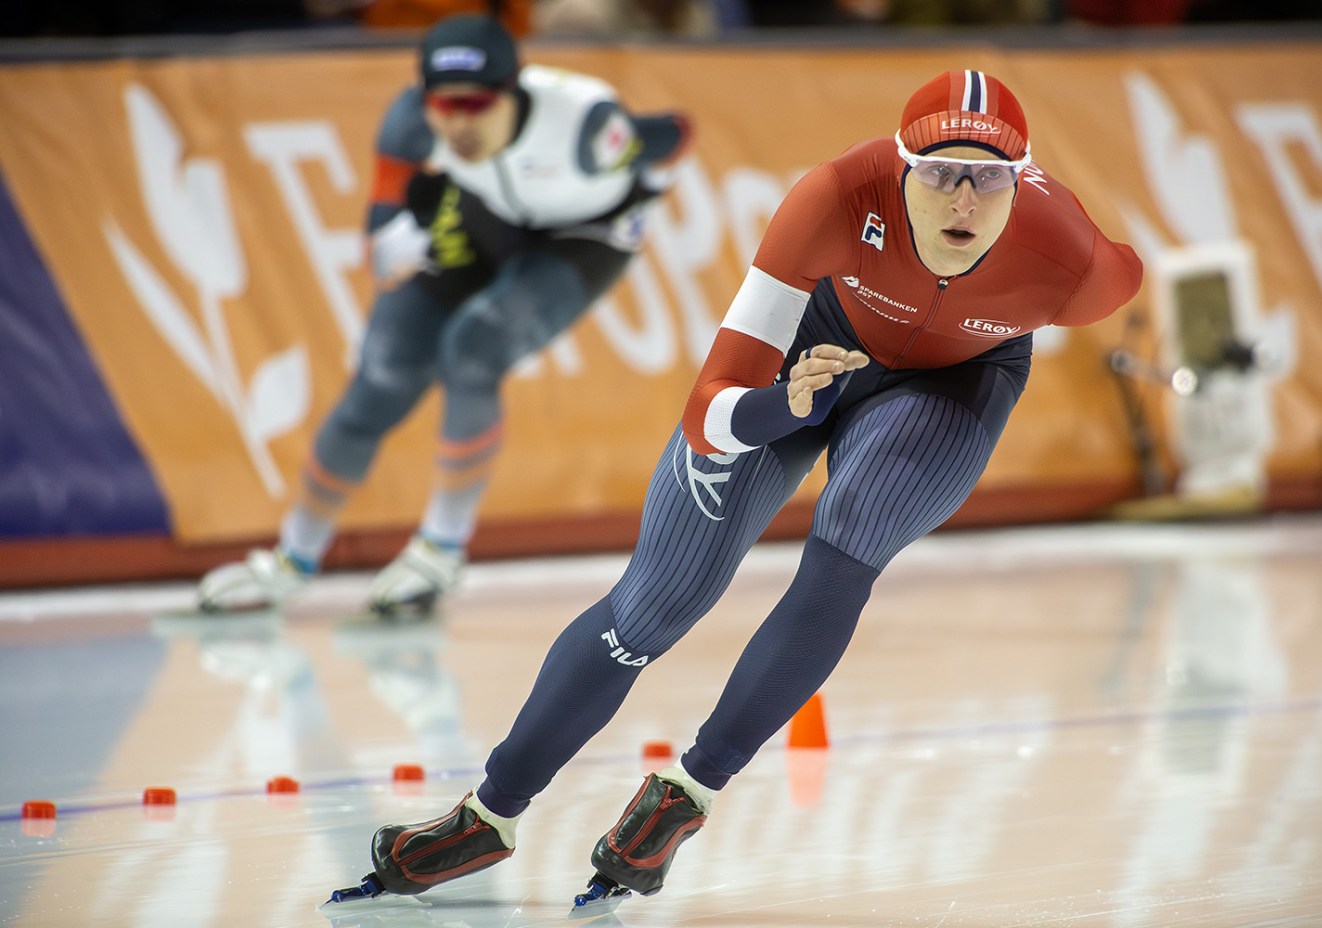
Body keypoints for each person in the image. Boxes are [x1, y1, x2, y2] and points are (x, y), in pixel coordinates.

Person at [332, 69, 1143, 905]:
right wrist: (781, 405)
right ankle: (487, 816)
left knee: (851, 538)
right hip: (810, 353)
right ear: (901, 170)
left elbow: (1135, 270)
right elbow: (705, 413)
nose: (964, 199)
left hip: (955, 386)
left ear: (1022, 181)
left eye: (990, 177)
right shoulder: (832, 197)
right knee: (653, 604)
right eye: (941, 173)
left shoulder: (1075, 263)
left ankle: (688, 794)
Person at [196, 14, 691, 614]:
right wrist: (390, 242)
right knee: (379, 382)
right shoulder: (409, 123)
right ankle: (290, 559)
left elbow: (675, 133)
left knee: (474, 350)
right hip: (485, 215)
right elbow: (381, 237)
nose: (458, 123)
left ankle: (439, 549)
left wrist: (655, 181)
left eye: (477, 104)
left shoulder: (587, 128)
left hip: (585, 234)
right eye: (443, 105)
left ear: (514, 90)